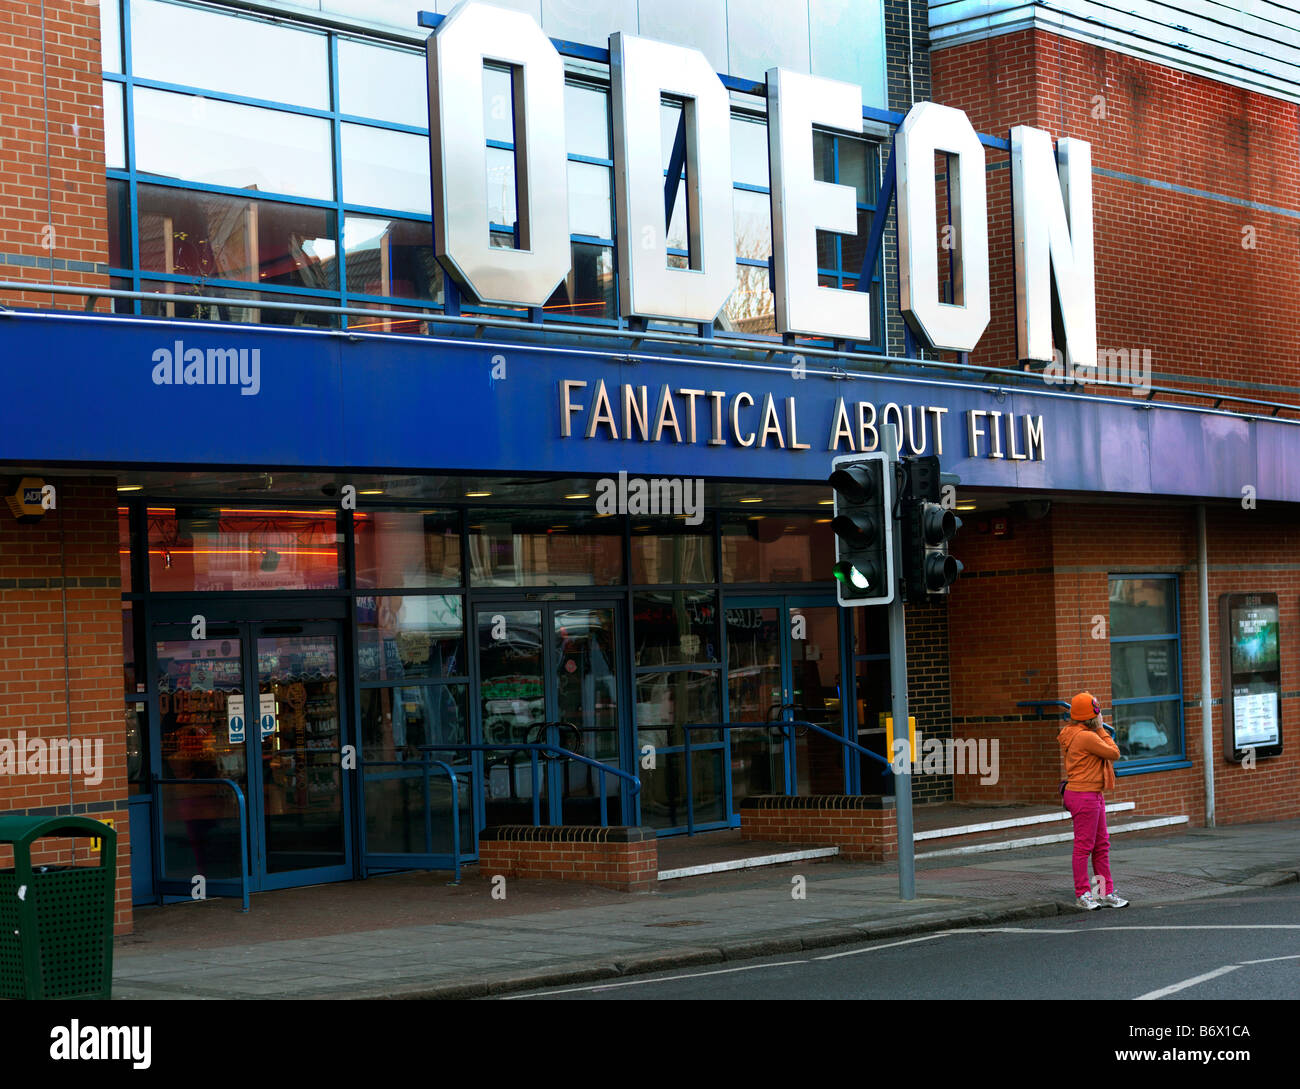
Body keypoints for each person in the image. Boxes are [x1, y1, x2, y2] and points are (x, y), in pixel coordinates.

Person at [1058, 692, 1129, 910]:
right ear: (1092, 715)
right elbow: (1114, 752)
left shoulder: (1073, 732)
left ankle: (1102, 893)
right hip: (1084, 794)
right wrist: (1100, 728)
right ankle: (1083, 894)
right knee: (1084, 847)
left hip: (1090, 793)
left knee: (1100, 845)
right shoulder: (1086, 736)